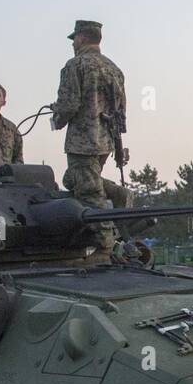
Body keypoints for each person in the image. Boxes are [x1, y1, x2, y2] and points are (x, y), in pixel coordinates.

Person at [51, 20, 132, 247]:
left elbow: (69, 105)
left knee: (90, 195)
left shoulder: (75, 65)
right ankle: (116, 192)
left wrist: (57, 116)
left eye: (74, 39)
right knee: (74, 179)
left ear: (82, 38)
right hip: (106, 140)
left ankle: (104, 245)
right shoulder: (114, 69)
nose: (73, 44)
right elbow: (121, 109)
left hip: (82, 142)